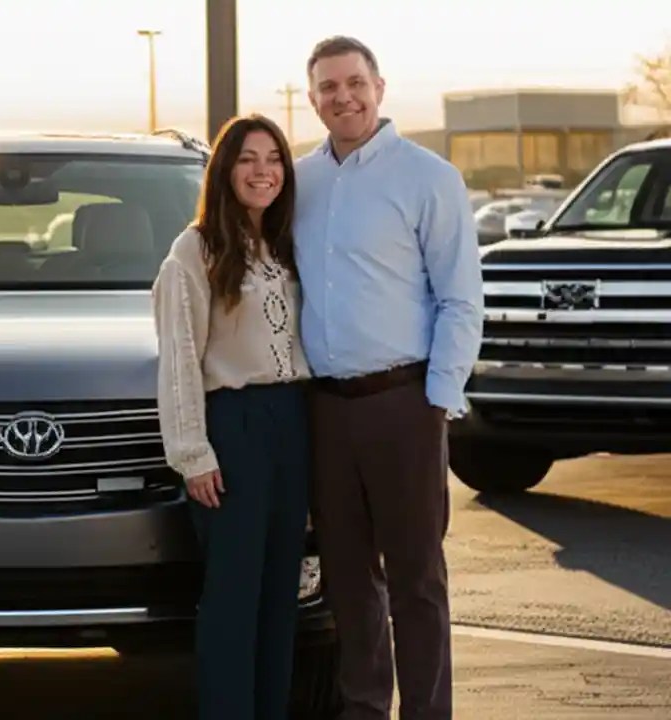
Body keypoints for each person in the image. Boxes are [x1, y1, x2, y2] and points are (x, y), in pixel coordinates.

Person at [292, 36, 484, 720]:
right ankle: (364, 708)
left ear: (378, 86)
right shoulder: (298, 181)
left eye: (353, 83)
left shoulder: (428, 178)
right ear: (311, 98)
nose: (342, 97)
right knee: (348, 578)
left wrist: (437, 401)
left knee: (417, 582)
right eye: (327, 88)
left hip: (404, 403)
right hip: (325, 410)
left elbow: (462, 297)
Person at [153, 113, 311, 720]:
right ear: (224, 168)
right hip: (235, 429)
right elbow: (178, 362)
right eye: (248, 158)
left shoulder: (286, 244)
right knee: (232, 598)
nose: (262, 170)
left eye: (273, 158)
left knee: (281, 597)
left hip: (292, 423)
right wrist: (192, 452)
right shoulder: (194, 250)